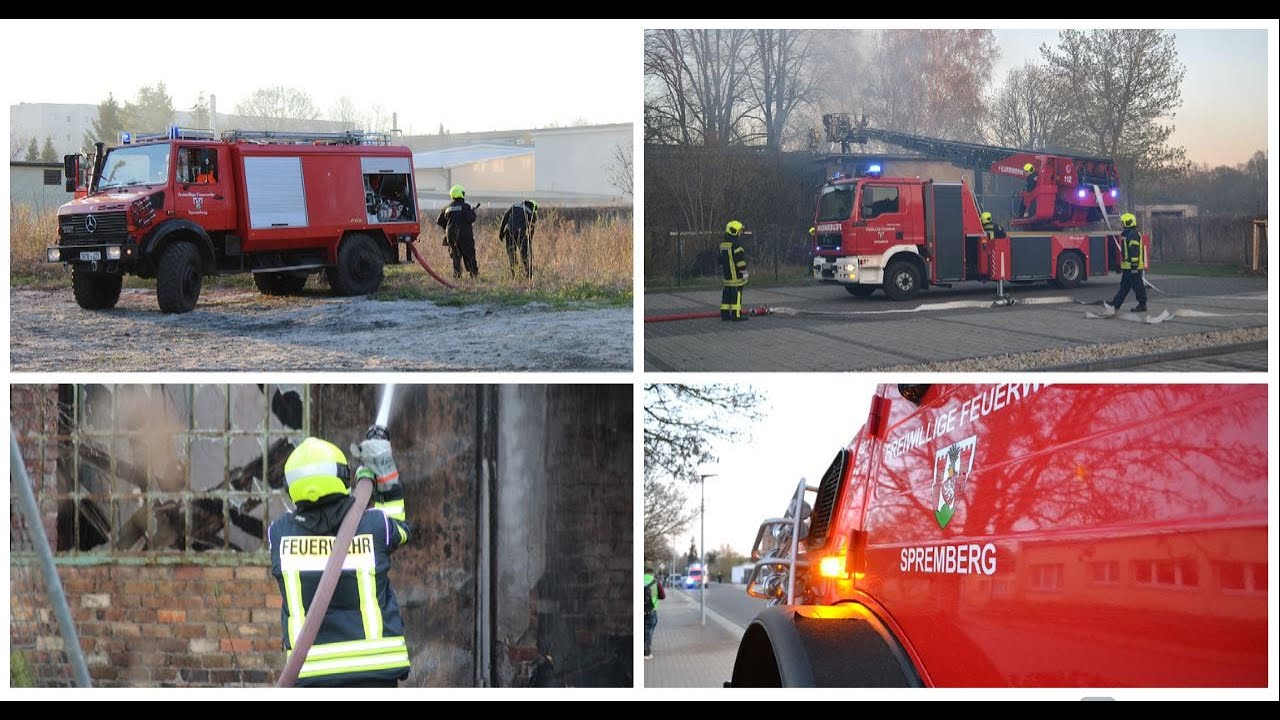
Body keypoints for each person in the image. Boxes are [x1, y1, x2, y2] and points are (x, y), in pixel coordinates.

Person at [268, 436, 411, 687]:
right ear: (343, 477)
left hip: (310, 673)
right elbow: (400, 530)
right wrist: (386, 477)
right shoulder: (375, 525)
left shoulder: (279, 535)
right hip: (375, 669)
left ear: (291, 488)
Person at [1106, 212, 1148, 313]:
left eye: (1123, 223)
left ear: (1127, 222)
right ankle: (1115, 304)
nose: (1122, 225)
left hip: (1133, 267)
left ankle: (1142, 304)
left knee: (1138, 286)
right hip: (1129, 267)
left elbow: (1134, 251)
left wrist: (1134, 267)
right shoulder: (1130, 234)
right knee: (1124, 287)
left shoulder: (1132, 235)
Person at [437, 184, 478, 279]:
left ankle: (457, 274)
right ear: (462, 194)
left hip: (451, 236)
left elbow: (439, 221)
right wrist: (473, 213)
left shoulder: (446, 208)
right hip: (464, 236)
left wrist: (447, 227)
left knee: (455, 255)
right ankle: (473, 274)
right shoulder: (465, 206)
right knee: (469, 254)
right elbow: (471, 219)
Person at [499, 199, 537, 279]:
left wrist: (501, 233)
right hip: (521, 234)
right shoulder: (531, 213)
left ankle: (515, 276)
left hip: (509, 232)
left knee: (512, 255)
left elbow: (506, 217)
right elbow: (531, 231)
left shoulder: (515, 206)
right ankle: (529, 276)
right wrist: (529, 242)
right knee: (525, 256)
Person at [719, 220, 749, 322]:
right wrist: (744, 273)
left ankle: (725, 315)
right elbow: (740, 263)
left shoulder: (723, 245)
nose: (740, 234)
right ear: (734, 231)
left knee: (726, 296)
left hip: (727, 278)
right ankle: (736, 315)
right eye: (739, 231)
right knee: (737, 296)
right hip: (736, 278)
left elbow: (719, 260)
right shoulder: (736, 246)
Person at [642, 566, 665, 660]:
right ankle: (646, 653)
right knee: (648, 631)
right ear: (652, 573)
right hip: (651, 610)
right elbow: (662, 596)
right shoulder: (655, 582)